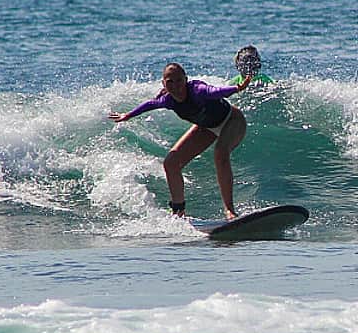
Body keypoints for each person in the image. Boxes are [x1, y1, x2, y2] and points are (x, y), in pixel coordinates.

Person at [108, 48, 263, 219]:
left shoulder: (197, 90)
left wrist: (236, 88)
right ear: (163, 84)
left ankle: (230, 210)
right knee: (171, 163)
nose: (176, 86)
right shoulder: (168, 100)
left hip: (231, 120)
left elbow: (215, 91)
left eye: (179, 81)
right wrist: (127, 115)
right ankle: (178, 211)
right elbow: (149, 104)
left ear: (186, 80)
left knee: (220, 152)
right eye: (170, 82)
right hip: (206, 127)